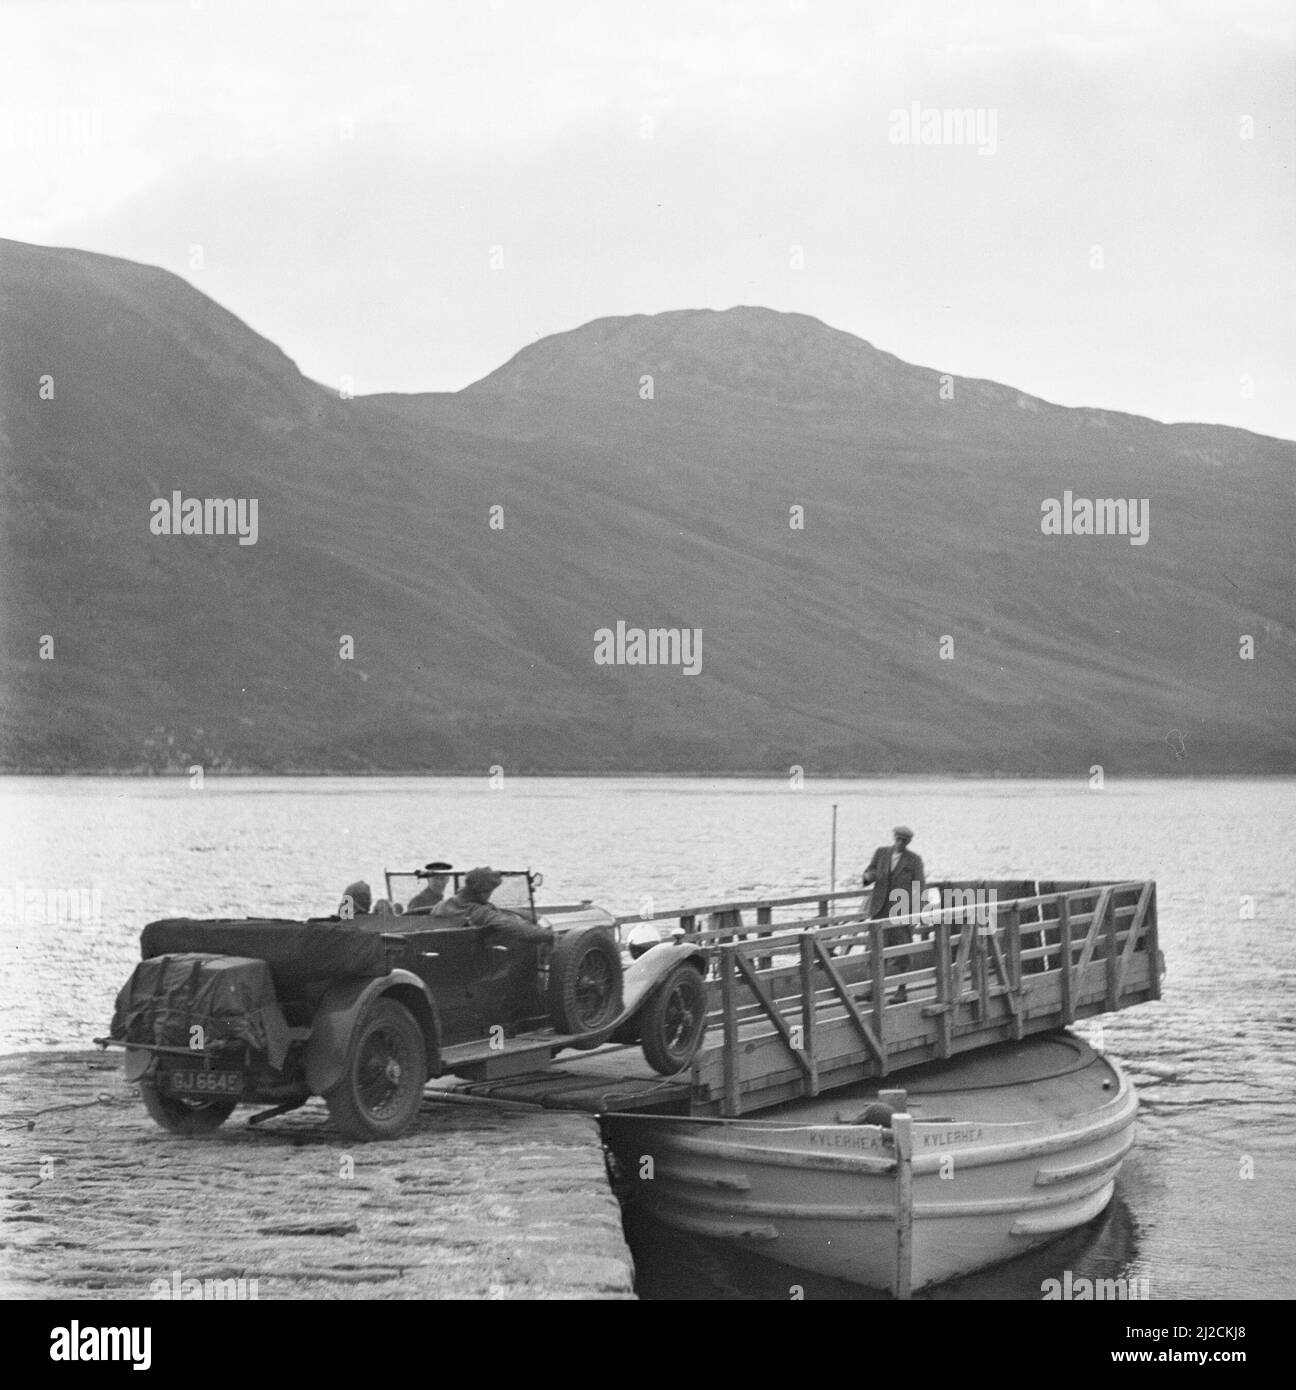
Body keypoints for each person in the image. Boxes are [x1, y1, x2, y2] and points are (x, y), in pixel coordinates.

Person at [861, 827, 925, 997]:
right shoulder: (881, 853)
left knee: (901, 953)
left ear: (909, 842)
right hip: (879, 909)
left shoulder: (914, 860)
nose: (900, 843)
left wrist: (916, 914)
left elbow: (919, 887)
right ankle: (871, 991)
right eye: (898, 839)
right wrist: (868, 877)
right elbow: (870, 871)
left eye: (904, 840)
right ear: (894, 837)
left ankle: (901, 991)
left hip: (900, 912)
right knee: (873, 950)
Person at [420, 866, 552, 946]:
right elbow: (512, 926)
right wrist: (549, 936)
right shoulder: (477, 912)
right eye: (489, 892)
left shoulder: (440, 906)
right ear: (482, 893)